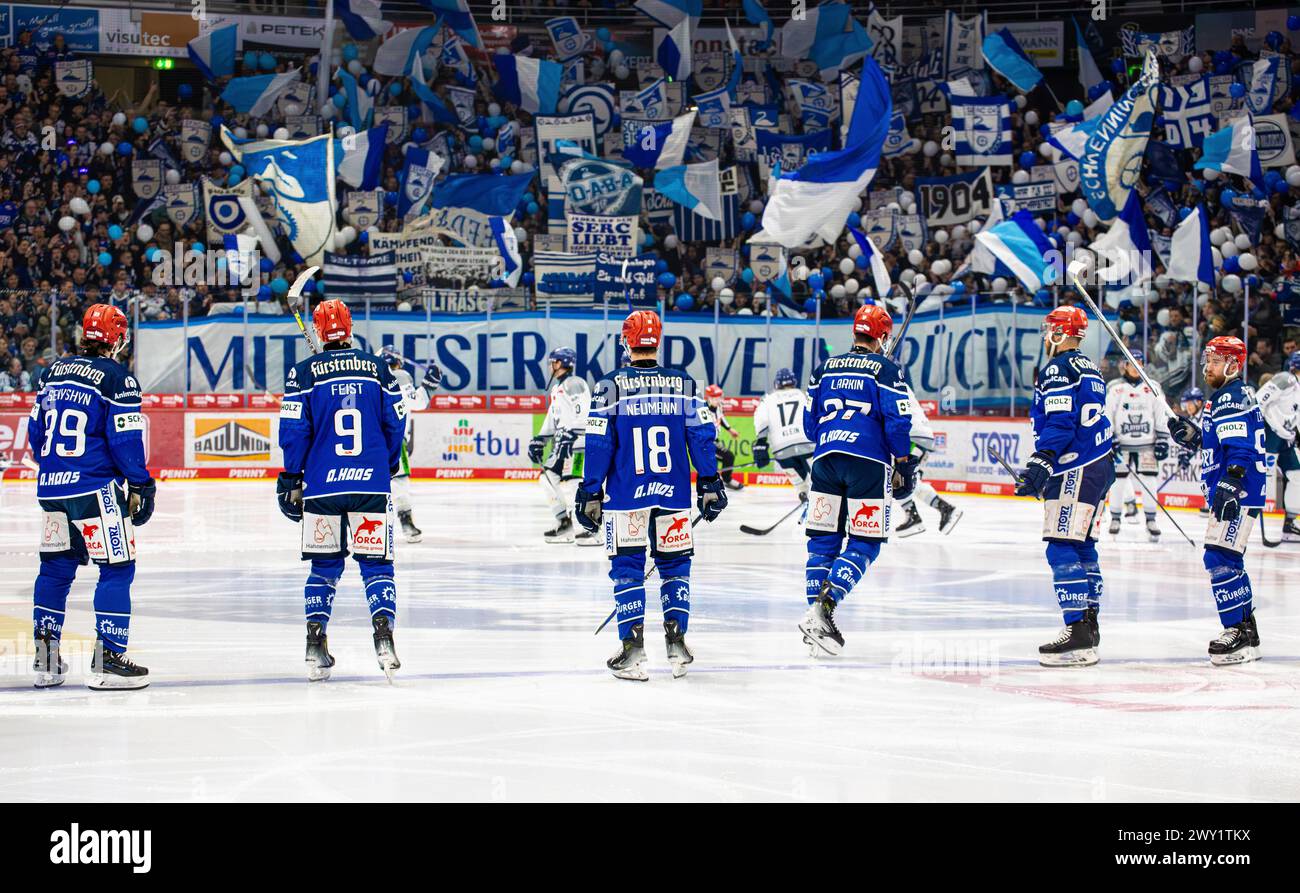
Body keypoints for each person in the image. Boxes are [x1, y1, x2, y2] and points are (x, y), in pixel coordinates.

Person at [575, 310, 728, 680]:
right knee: (675, 566)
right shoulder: (685, 384)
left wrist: (590, 489)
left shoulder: (609, 386)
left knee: (627, 568)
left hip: (625, 495)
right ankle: (677, 644)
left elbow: (598, 444)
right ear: (657, 342)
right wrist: (709, 481)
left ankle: (633, 651)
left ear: (627, 342)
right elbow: (702, 436)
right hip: (673, 493)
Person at [276, 300, 407, 682]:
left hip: (321, 486)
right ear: (350, 328)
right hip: (369, 483)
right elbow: (396, 421)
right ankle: (384, 640)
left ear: (318, 332)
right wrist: (388, 460)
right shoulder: (377, 368)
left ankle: (315, 646)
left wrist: (291, 476)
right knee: (377, 565)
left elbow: (294, 432)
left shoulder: (302, 374)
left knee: (324, 567)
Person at [28, 303, 156, 689]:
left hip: (52, 489)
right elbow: (125, 440)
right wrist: (140, 483)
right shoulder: (118, 378)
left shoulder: (53, 373)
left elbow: (36, 435)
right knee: (118, 567)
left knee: (55, 569)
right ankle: (108, 659)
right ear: (116, 339)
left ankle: (46, 657)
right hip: (94, 489)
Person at [798, 304, 917, 656]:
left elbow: (809, 425)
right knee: (866, 541)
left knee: (822, 542)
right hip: (867, 462)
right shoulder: (887, 369)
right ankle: (826, 606)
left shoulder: (824, 368)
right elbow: (898, 422)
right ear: (882, 337)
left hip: (824, 459)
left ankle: (813, 621)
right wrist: (905, 462)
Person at [1014, 306, 1114, 667]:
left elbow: (1060, 421)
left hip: (1077, 465)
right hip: (1100, 464)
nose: (1045, 337)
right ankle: (1089, 625)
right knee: (1083, 546)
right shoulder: (1092, 369)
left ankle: (1078, 633)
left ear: (1059, 333)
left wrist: (1043, 460)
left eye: (1048, 331)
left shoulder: (1058, 368)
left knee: (1060, 547)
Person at [1168, 337, 1268, 665]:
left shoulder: (1229, 397)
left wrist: (1230, 481)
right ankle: (1246, 629)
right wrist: (1197, 438)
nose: (1207, 367)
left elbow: (1239, 448)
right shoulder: (1234, 395)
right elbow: (1226, 441)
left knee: (1218, 557)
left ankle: (1236, 629)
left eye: (1214, 361)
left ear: (1232, 364)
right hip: (1243, 489)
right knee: (1229, 558)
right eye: (1207, 360)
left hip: (1237, 491)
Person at [528, 346, 595, 544]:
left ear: (563, 363)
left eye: (553, 362)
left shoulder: (574, 383)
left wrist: (574, 432)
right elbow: (553, 418)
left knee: (575, 482)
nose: (551, 366)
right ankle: (564, 523)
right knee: (548, 477)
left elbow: (584, 411)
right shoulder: (557, 389)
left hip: (578, 444)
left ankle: (591, 528)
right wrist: (540, 439)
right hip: (564, 445)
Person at [1104, 350, 1173, 540]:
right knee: (1118, 482)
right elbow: (1107, 414)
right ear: (1125, 365)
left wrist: (1162, 439)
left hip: (1147, 445)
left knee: (1149, 481)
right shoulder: (1115, 387)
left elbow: (1161, 414)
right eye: (1131, 363)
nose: (1135, 367)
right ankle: (1115, 518)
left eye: (1139, 363)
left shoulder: (1153, 387)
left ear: (1143, 365)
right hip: (1121, 445)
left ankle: (1151, 520)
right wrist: (1111, 438)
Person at [381, 347, 442, 543]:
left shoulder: (370, 376)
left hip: (368, 439)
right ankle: (406, 522)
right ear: (398, 362)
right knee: (399, 483)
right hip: (393, 439)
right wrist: (429, 385)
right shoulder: (400, 375)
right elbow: (416, 403)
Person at [893, 382, 964, 537]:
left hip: (912, 435)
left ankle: (937, 511)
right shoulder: (892, 376)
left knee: (899, 478)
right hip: (917, 435)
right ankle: (932, 512)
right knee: (908, 480)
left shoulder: (885, 377)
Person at [1254, 353, 1300, 540]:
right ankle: (1242, 519)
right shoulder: (1285, 379)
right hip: (1270, 436)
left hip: (1286, 440)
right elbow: (1259, 401)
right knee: (1264, 479)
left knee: (1297, 477)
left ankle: (1290, 524)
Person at [751, 367, 813, 502]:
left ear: (777, 384)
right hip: (808, 445)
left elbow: (761, 421)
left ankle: (803, 493)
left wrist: (761, 444)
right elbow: (814, 414)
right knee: (820, 482)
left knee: (800, 484)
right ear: (794, 382)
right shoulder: (803, 394)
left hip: (782, 450)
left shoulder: (768, 399)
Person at [703, 383, 744, 490]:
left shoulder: (718, 406)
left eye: (719, 397)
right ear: (709, 398)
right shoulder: (704, 411)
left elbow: (721, 417)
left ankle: (724, 479)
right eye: (715, 398)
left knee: (726, 458)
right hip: (706, 442)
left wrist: (730, 429)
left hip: (714, 440)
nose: (718, 400)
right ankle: (724, 480)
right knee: (727, 456)